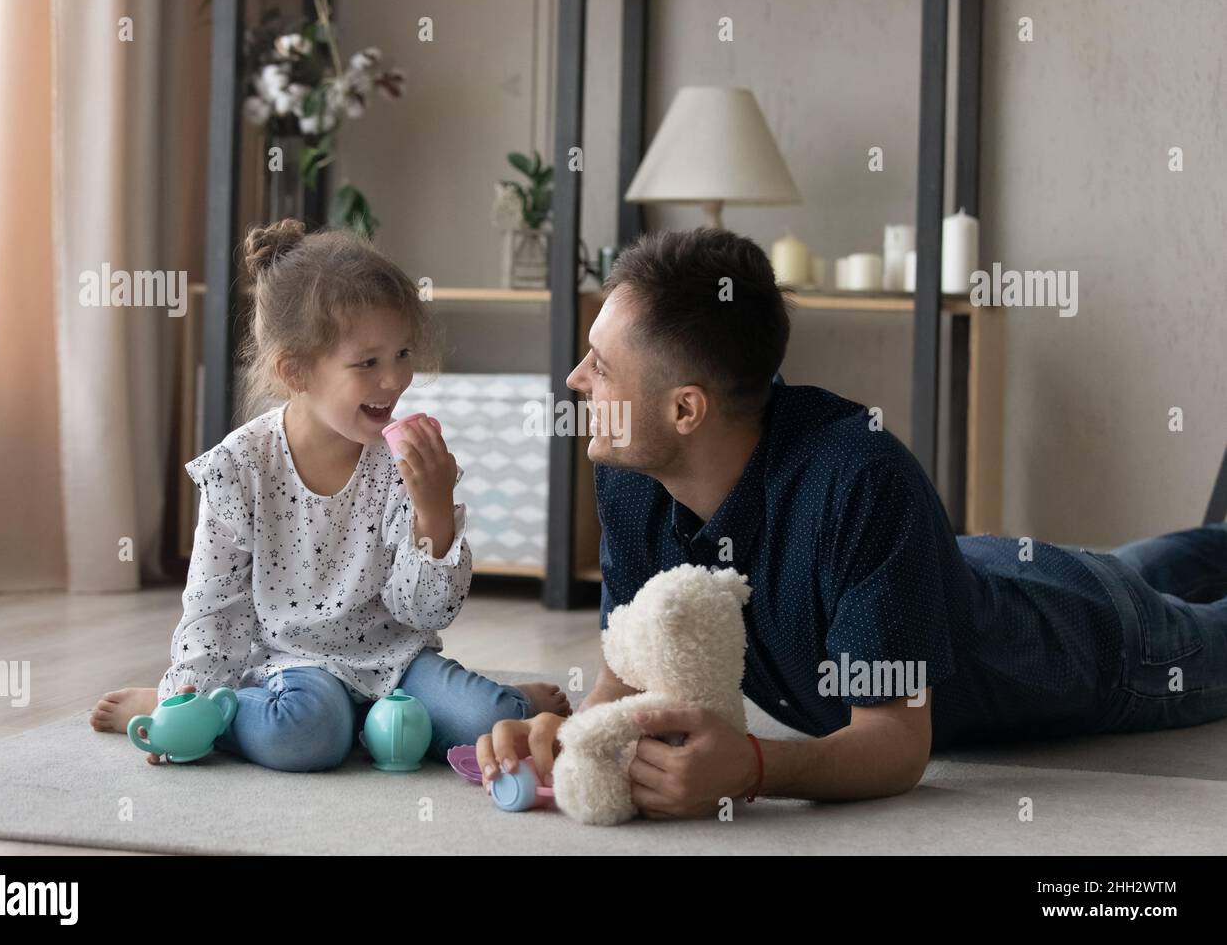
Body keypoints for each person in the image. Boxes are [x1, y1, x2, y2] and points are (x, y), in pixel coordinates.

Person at [477, 226, 1227, 817]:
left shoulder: (862, 481)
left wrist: (754, 767)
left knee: (1133, 596)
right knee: (1135, 567)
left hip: (1105, 648)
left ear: (686, 409)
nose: (575, 379)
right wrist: (566, 740)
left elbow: (894, 741)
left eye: (601, 365)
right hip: (981, 571)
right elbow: (631, 671)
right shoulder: (632, 473)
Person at [92, 218, 568, 769]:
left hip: (395, 662)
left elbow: (424, 612)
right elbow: (214, 606)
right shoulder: (240, 467)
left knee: (493, 721)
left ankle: (460, 707)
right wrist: (185, 703)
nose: (394, 379)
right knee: (306, 736)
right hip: (293, 667)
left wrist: (434, 513)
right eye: (368, 362)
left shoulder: (401, 463)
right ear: (295, 371)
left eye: (403, 353)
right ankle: (188, 707)